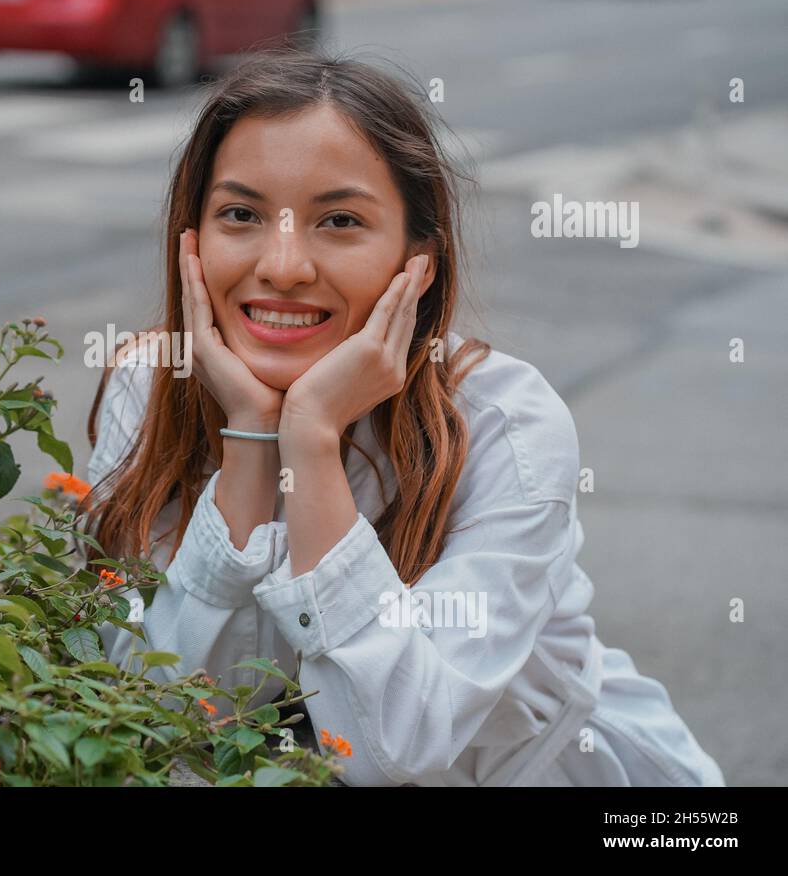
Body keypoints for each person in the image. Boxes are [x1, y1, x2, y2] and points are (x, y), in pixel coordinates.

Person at [82, 50, 725, 787]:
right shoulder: (147, 387)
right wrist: (252, 438)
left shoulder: (504, 422)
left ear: (416, 259)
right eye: (240, 214)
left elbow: (393, 746)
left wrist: (314, 438)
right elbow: (158, 717)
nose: (284, 264)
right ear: (191, 239)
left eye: (340, 220)